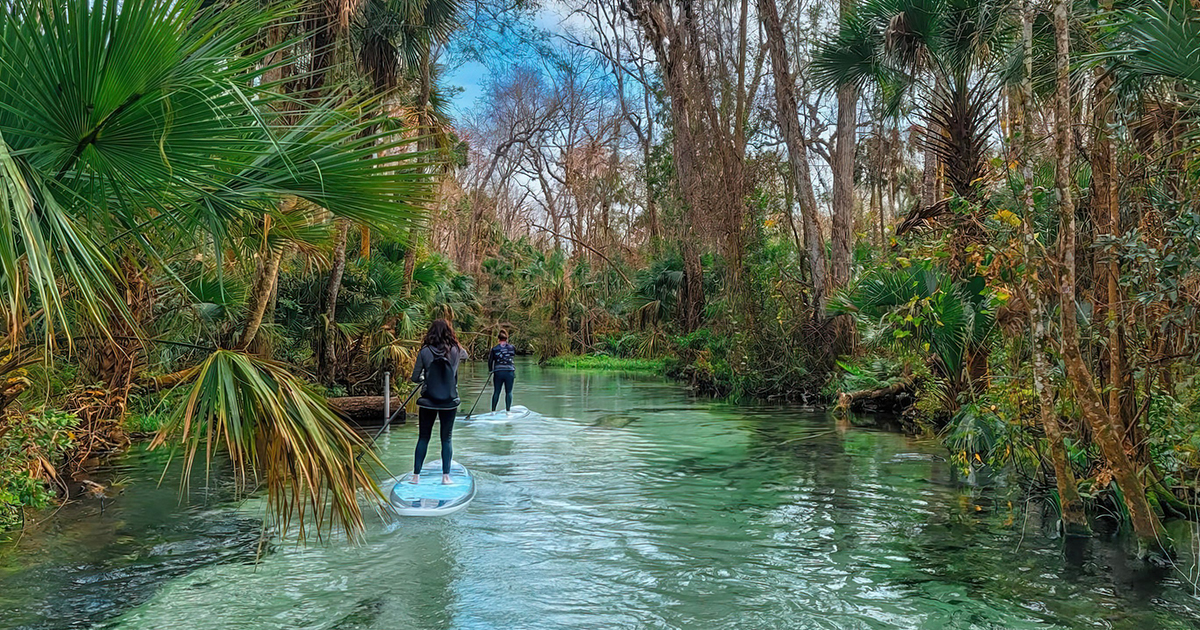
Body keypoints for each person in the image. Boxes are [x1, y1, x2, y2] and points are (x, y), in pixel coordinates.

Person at [410, 319, 467, 485]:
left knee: (423, 437)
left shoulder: (425, 351)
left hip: (428, 400)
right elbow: (466, 355)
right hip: (450, 400)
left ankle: (416, 477)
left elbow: (415, 377)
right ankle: (446, 477)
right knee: (446, 438)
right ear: (449, 332)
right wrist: (455, 343)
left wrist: (425, 378)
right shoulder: (456, 350)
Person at [488, 330, 516, 412]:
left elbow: (490, 361)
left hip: (498, 372)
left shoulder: (494, 349)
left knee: (496, 391)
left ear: (498, 339)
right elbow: (513, 356)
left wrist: (490, 370)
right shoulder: (512, 348)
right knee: (509, 392)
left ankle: (493, 411)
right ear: (507, 339)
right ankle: (508, 410)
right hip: (509, 372)